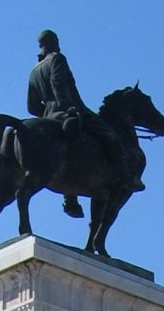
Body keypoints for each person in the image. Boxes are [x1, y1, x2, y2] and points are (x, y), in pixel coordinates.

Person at [26, 30, 144, 218]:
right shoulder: (57, 59)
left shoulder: (34, 70)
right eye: (57, 41)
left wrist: (47, 114)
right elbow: (58, 83)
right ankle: (127, 178)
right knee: (112, 137)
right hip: (71, 109)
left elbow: (32, 106)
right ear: (53, 43)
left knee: (73, 148)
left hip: (48, 115)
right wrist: (67, 107)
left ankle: (70, 197)